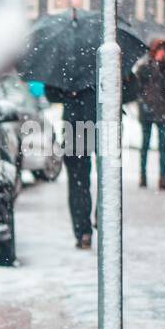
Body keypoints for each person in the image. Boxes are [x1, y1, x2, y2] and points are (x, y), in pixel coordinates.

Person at [132, 39, 165, 190]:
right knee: (145, 145)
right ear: (154, 51)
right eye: (160, 50)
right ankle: (143, 176)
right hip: (148, 111)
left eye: (164, 50)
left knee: (162, 146)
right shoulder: (143, 68)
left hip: (163, 111)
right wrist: (142, 102)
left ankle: (162, 178)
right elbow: (137, 89)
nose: (162, 53)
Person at [58, 87, 97, 249]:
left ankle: (86, 229)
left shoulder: (67, 66)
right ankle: (84, 231)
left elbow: (130, 90)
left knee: (80, 185)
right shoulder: (107, 64)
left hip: (99, 126)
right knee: (79, 184)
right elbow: (51, 92)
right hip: (78, 129)